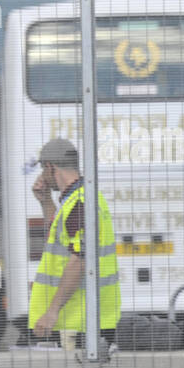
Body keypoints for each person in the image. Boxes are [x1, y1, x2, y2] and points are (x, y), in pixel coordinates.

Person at [28, 138, 120, 344]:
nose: (42, 175)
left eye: (43, 169)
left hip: (81, 319)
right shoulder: (81, 198)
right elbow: (60, 237)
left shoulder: (80, 203)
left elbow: (80, 260)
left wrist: (52, 312)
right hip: (85, 316)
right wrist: (45, 201)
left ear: (51, 167)